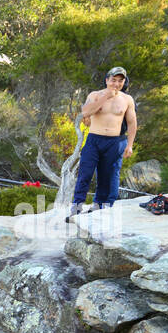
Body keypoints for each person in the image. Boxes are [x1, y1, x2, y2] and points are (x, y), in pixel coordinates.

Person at [68, 67, 137, 219]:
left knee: (107, 177)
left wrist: (129, 145)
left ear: (124, 82)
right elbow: (86, 112)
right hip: (94, 140)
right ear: (107, 80)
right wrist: (106, 96)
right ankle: (76, 210)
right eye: (113, 80)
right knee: (84, 175)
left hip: (114, 142)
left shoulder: (127, 99)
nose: (116, 83)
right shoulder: (95, 95)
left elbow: (132, 123)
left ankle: (100, 209)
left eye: (120, 81)